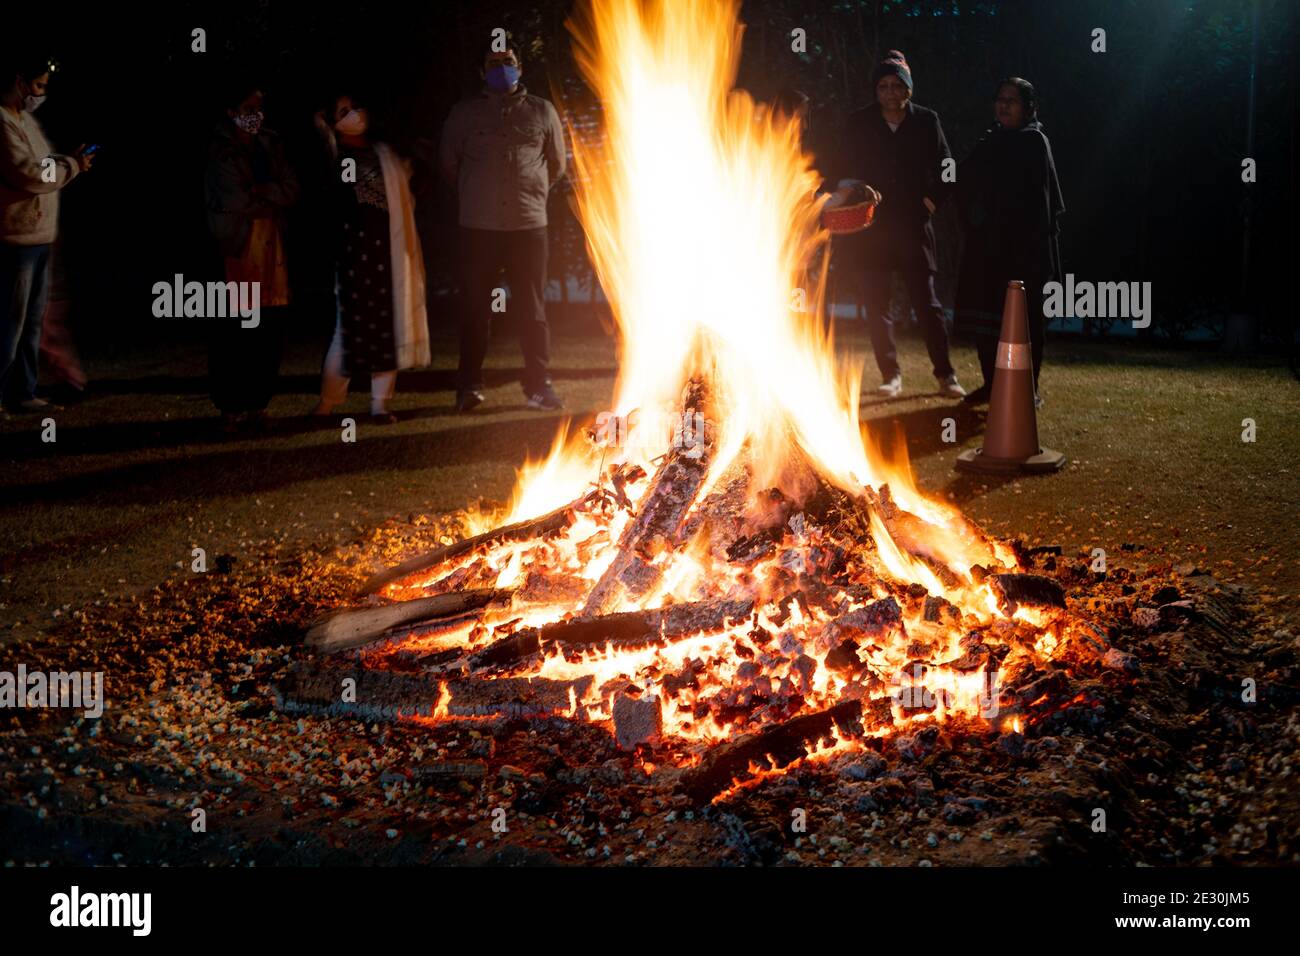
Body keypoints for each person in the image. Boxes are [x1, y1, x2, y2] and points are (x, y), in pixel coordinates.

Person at [439, 44, 567, 412]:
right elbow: (449, 163)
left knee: (533, 309)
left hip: (528, 226)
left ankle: (538, 385)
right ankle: (468, 387)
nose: (501, 69)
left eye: (507, 62)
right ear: (481, 71)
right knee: (475, 308)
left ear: (520, 67)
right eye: (493, 63)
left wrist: (532, 192)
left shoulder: (542, 111)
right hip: (479, 228)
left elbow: (556, 164)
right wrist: (477, 193)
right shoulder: (464, 114)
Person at [837, 50, 965, 400]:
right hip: (870, 229)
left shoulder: (926, 121)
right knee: (877, 306)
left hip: (913, 226)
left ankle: (946, 375)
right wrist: (849, 190)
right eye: (883, 86)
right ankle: (890, 376)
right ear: (875, 90)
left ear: (908, 89)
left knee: (927, 304)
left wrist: (931, 201)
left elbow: (948, 168)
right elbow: (840, 167)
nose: (890, 93)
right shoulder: (859, 122)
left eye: (897, 86)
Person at [311, 91, 430, 424]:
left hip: (390, 252)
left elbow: (410, 191)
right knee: (348, 330)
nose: (353, 115)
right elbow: (343, 199)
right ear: (334, 123)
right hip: (355, 254)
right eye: (343, 112)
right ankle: (327, 402)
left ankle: (380, 404)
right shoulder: (342, 158)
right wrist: (327, 138)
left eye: (355, 108)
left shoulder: (385, 154)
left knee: (387, 328)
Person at [954, 77, 1064, 406]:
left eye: (1011, 100)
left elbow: (1038, 205)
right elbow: (963, 177)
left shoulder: (1033, 142)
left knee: (1026, 320)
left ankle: (1029, 389)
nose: (1003, 105)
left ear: (1029, 108)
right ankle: (992, 385)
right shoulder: (992, 140)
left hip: (1025, 250)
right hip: (990, 249)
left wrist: (1025, 247)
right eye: (1000, 99)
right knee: (987, 318)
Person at [204, 81, 299, 434]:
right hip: (237, 251)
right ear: (231, 113)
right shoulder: (221, 152)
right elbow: (237, 200)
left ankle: (258, 403)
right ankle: (231, 405)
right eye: (247, 109)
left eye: (259, 109)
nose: (255, 117)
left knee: (268, 330)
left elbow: (292, 188)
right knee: (235, 332)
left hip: (271, 252)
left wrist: (264, 192)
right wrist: (267, 195)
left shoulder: (270, 144)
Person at [0, 55, 93, 413]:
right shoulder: (2, 124)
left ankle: (23, 391)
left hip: (37, 237)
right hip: (14, 241)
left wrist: (64, 163)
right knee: (9, 324)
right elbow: (30, 174)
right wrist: (70, 166)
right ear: (19, 81)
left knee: (30, 323)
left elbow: (44, 166)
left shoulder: (24, 121)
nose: (40, 94)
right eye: (37, 86)